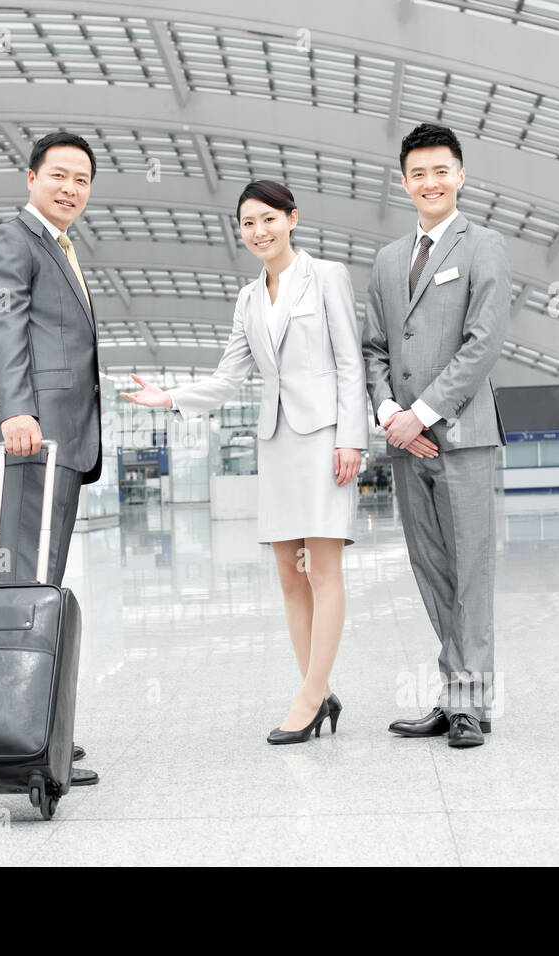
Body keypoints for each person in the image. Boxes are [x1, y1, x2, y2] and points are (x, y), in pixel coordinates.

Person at [122, 181, 369, 744]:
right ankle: (321, 690)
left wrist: (352, 438)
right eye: (247, 224)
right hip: (278, 441)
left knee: (325, 570)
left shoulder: (326, 277)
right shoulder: (248, 298)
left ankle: (310, 696)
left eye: (268, 219)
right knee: (289, 573)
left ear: (292, 219)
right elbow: (231, 377)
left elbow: (349, 362)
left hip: (326, 437)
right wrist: (172, 397)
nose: (258, 232)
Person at [362, 123, 510, 749]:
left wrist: (419, 414)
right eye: (418, 174)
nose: (431, 182)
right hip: (405, 441)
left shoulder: (485, 247)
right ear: (404, 182)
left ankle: (471, 704)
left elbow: (482, 345)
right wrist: (389, 411)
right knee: (431, 570)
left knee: (470, 572)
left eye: (441, 171)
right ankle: (454, 697)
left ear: (461, 176)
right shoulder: (388, 260)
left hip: (463, 437)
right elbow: (374, 348)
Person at [0, 131, 103, 785]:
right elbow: (3, 326)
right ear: (30, 177)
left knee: (38, 587)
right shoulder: (11, 243)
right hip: (33, 440)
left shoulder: (62, 248)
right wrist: (16, 410)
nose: (70, 188)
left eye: (81, 179)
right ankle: (8, 734)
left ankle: (33, 730)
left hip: (62, 445)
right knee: (19, 589)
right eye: (58, 175)